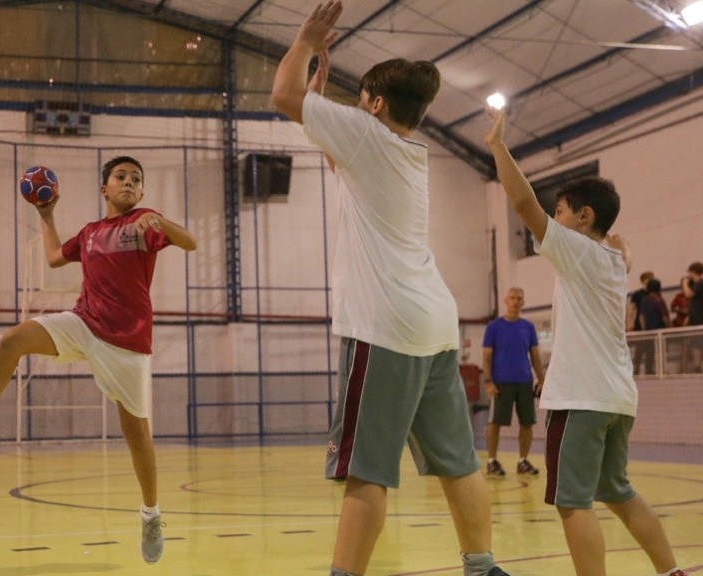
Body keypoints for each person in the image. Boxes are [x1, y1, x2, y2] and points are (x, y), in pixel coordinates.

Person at [272, 3, 508, 575]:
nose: (355, 107)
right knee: (458, 463)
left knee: (366, 468)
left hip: (385, 328)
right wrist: (320, 105)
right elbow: (339, 160)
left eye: (361, 99)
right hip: (434, 325)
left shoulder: (365, 133)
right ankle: (483, 567)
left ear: (375, 103)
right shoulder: (408, 152)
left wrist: (305, 41)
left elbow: (283, 95)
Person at [0, 156, 196, 564]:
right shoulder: (89, 233)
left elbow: (189, 241)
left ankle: (151, 515)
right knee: (13, 339)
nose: (129, 183)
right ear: (104, 189)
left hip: (127, 344)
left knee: (137, 435)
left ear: (142, 193)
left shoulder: (144, 223)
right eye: (121, 177)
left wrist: (161, 223)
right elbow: (53, 258)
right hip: (83, 321)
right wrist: (48, 215)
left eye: (136, 179)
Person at [484, 107, 686, 576]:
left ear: (584, 217)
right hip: (617, 397)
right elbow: (623, 250)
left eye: (561, 212)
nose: (553, 219)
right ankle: (671, 571)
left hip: (582, 397)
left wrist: (497, 145)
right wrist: (623, 246)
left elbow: (522, 204)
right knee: (617, 490)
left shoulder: (577, 250)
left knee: (572, 502)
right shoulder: (612, 260)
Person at [482, 287, 545, 477]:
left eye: (519, 298)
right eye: (512, 298)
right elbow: (486, 357)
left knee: (527, 423)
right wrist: (488, 381)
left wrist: (542, 379)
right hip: (501, 383)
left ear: (523, 302)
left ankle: (523, 461)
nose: (515, 301)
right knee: (495, 423)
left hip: (524, 382)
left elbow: (534, 356)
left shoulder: (528, 327)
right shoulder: (493, 327)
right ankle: (492, 462)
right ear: (505, 301)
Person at [626, 271, 654, 376]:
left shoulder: (654, 294)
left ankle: (649, 370)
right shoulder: (638, 294)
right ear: (643, 282)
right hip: (639, 325)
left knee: (651, 350)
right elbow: (631, 308)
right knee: (639, 350)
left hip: (651, 324)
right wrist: (628, 323)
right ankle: (636, 370)